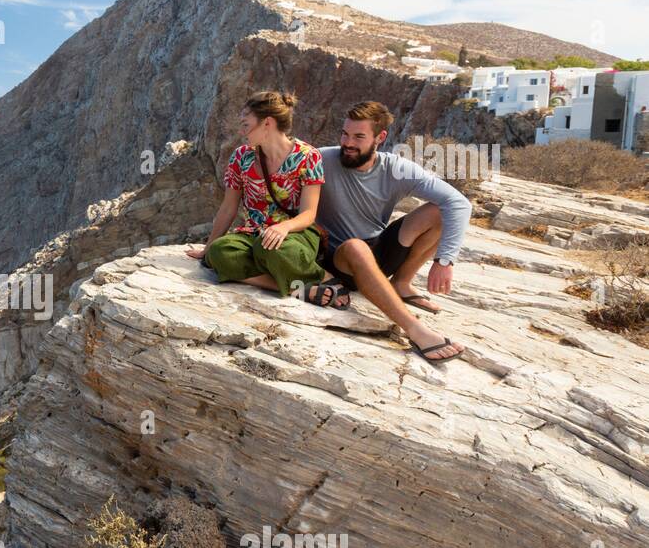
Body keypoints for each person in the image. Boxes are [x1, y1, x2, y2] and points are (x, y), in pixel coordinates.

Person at [315, 100, 471, 363]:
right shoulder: (321, 159)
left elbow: (458, 203)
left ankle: (400, 283)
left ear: (380, 137)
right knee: (355, 246)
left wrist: (445, 260)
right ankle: (417, 331)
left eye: (359, 137)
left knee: (437, 212)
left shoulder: (396, 168)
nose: (348, 143)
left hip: (377, 249)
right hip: (339, 260)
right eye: (345, 134)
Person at [186, 90, 345, 307]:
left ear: (267, 123)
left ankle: (316, 276)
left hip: (294, 233)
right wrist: (208, 248)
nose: (242, 132)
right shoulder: (242, 157)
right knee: (219, 253)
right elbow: (228, 207)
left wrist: (283, 228)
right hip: (253, 233)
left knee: (269, 248)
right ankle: (296, 287)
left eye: (246, 125)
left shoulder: (308, 156)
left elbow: (308, 214)